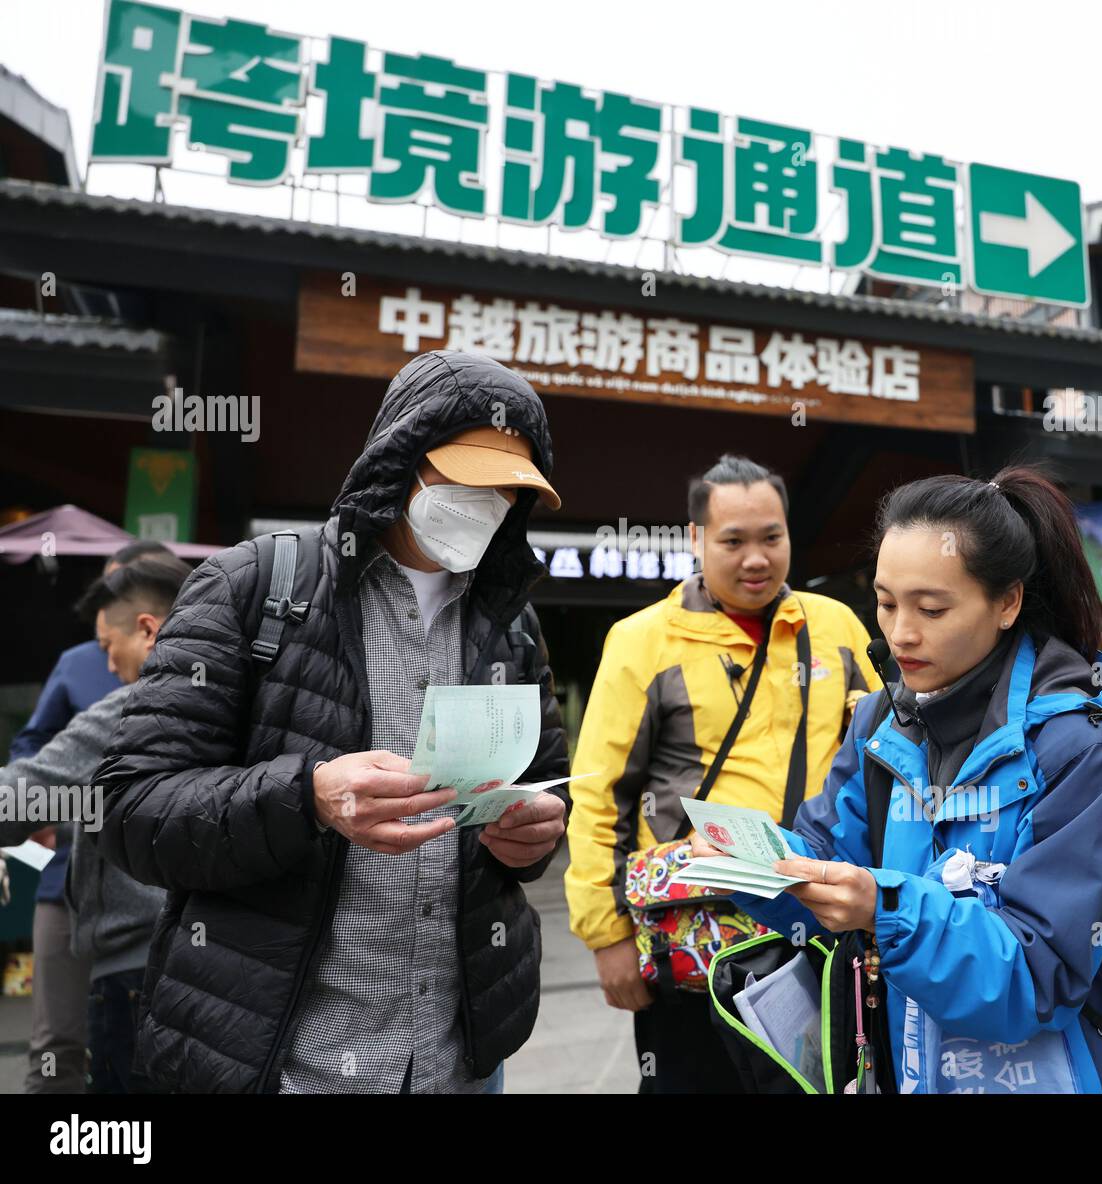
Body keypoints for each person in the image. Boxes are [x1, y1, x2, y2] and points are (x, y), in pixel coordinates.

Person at [95, 351, 569, 1094]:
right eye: (466, 477)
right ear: (400, 456)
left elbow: (534, 796)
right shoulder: (251, 585)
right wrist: (307, 798)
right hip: (280, 1063)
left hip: (458, 1062)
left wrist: (531, 839)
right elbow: (129, 807)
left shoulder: (511, 626)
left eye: (509, 486)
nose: (488, 500)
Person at [698, 466, 1102, 1093]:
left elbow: (1036, 977)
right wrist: (755, 863)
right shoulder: (881, 726)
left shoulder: (1081, 753)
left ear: (1007, 603)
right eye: (886, 602)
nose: (900, 633)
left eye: (931, 608)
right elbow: (828, 853)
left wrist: (884, 908)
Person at [566, 453, 882, 1093]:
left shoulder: (837, 628)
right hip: (698, 946)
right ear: (695, 540)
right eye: (733, 541)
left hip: (822, 926)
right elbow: (601, 796)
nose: (756, 558)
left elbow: (888, 760)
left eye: (772, 537)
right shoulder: (641, 641)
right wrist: (607, 939)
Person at [0, 552, 191, 1092]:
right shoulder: (242, 698)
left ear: (148, 629)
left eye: (110, 646)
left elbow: (23, 796)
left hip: (133, 967)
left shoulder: (134, 710)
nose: (108, 666)